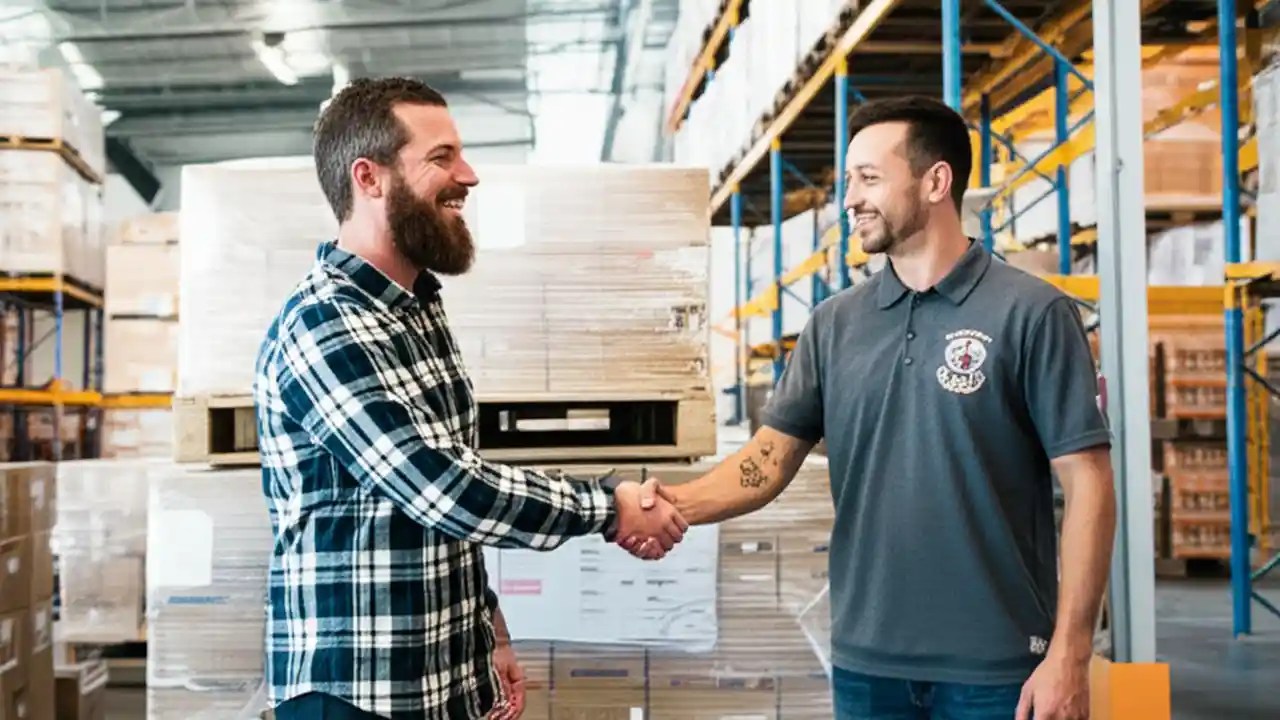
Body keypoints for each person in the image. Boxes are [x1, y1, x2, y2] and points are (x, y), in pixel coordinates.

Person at [635, 96, 1117, 720]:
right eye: (847, 181)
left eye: (869, 178)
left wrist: (1070, 654)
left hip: (997, 665)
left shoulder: (1032, 313)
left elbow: (1090, 485)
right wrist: (669, 507)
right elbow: (768, 460)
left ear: (936, 181)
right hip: (868, 663)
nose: (849, 200)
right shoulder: (834, 325)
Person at [253, 77, 687, 720]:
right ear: (368, 178)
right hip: (357, 692)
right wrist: (609, 506)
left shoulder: (417, 311)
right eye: (442, 157)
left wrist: (492, 631)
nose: (469, 176)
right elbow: (442, 487)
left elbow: (440, 509)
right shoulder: (322, 325)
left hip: (442, 677)